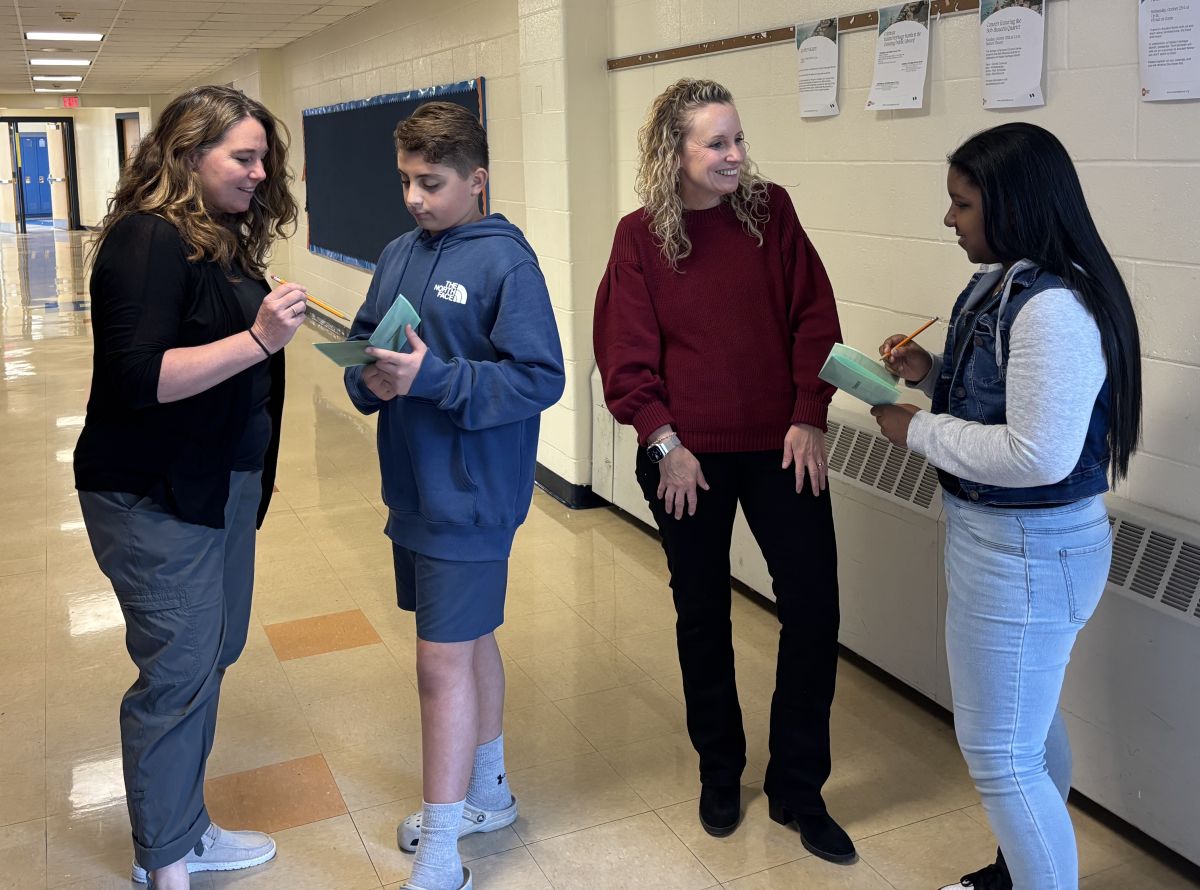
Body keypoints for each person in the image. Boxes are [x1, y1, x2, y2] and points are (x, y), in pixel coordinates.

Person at [871, 122, 1142, 890]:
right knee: (1026, 730)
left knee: (1001, 755)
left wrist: (918, 430)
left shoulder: (1053, 306)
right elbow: (1004, 401)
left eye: (962, 204)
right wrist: (929, 373)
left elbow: (1038, 454)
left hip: (1027, 551)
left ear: (1013, 204)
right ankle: (1019, 874)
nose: (949, 219)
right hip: (1003, 543)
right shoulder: (1001, 282)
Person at [593, 78, 855, 864]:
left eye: (739, 139)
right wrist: (662, 440)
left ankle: (798, 788)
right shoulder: (640, 237)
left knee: (814, 610)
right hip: (685, 457)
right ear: (674, 152)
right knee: (703, 613)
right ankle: (720, 770)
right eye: (717, 143)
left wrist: (809, 413)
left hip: (782, 445)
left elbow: (815, 318)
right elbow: (625, 355)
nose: (736, 155)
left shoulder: (772, 214)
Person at [73, 86, 307, 889]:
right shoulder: (147, 240)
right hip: (153, 495)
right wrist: (260, 338)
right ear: (187, 155)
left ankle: (187, 827)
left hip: (217, 486)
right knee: (178, 672)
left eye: (264, 157)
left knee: (212, 654)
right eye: (243, 157)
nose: (260, 171)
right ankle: (165, 861)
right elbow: (140, 377)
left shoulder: (217, 237)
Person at [342, 101, 564, 890]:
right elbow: (366, 343)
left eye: (431, 182)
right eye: (406, 180)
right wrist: (368, 381)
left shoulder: (507, 264)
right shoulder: (398, 252)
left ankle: (442, 854)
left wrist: (433, 378)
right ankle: (488, 793)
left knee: (438, 666)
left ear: (477, 180)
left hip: (471, 498)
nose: (414, 197)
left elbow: (540, 378)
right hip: (413, 489)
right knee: (467, 643)